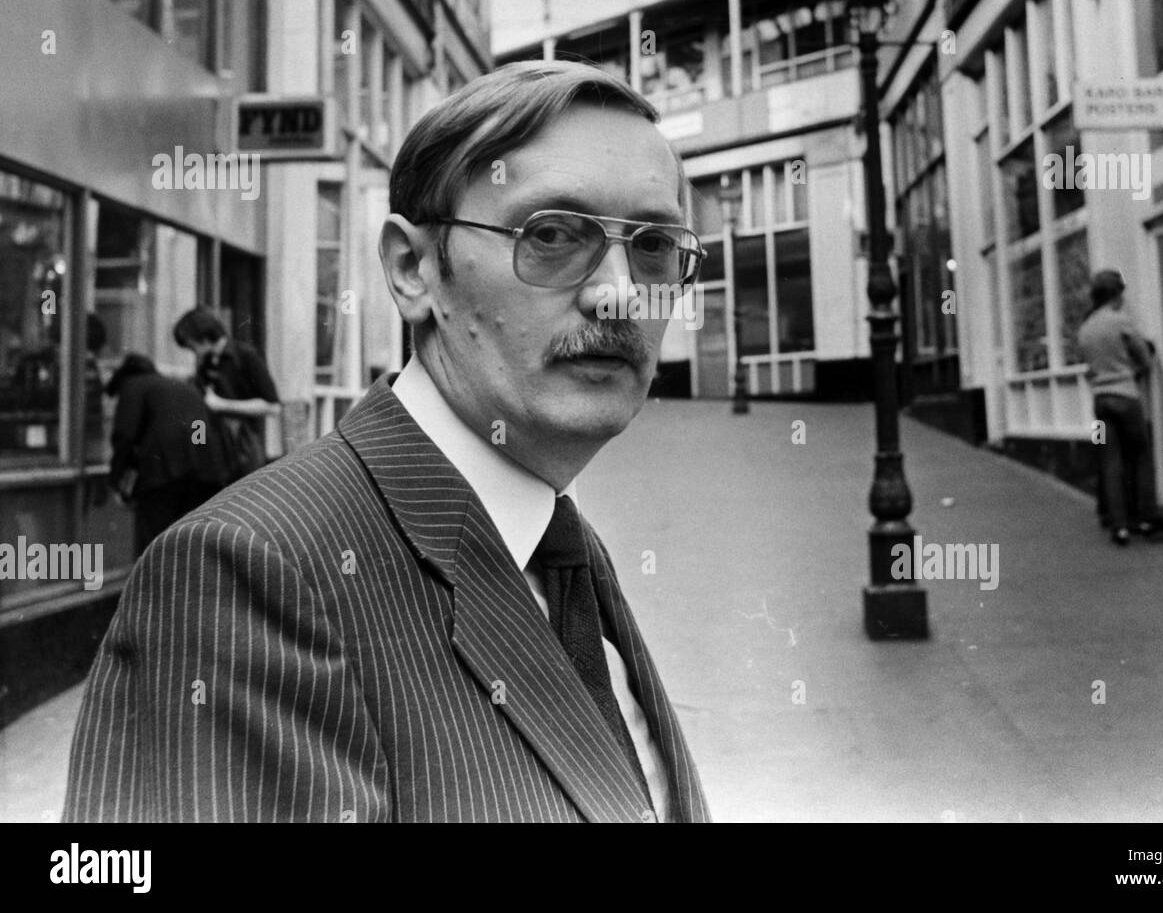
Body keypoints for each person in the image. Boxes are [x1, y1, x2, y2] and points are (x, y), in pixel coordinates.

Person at [64, 61, 711, 822]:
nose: (620, 293)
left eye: (656, 246)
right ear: (413, 269)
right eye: (552, 236)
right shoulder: (247, 575)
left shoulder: (558, 541)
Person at [106, 354, 229, 552]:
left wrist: (115, 481)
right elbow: (198, 428)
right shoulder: (179, 387)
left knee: (153, 544)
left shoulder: (133, 384)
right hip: (204, 471)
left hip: (163, 474)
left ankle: (152, 581)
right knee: (189, 542)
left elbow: (125, 435)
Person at [1077, 269, 1158, 546]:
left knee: (1110, 462)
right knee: (1140, 455)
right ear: (1115, 294)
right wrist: (1134, 368)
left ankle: (1119, 526)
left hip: (1100, 403)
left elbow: (1088, 366)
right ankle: (1146, 519)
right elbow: (1145, 358)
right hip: (1126, 397)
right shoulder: (1120, 321)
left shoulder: (1086, 328)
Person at [172, 306, 280, 481]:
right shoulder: (205, 363)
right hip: (214, 448)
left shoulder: (246, 355)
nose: (191, 350)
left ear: (203, 337)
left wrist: (222, 404)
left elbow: (273, 406)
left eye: (191, 344)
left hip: (242, 447)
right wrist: (196, 447)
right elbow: (201, 410)